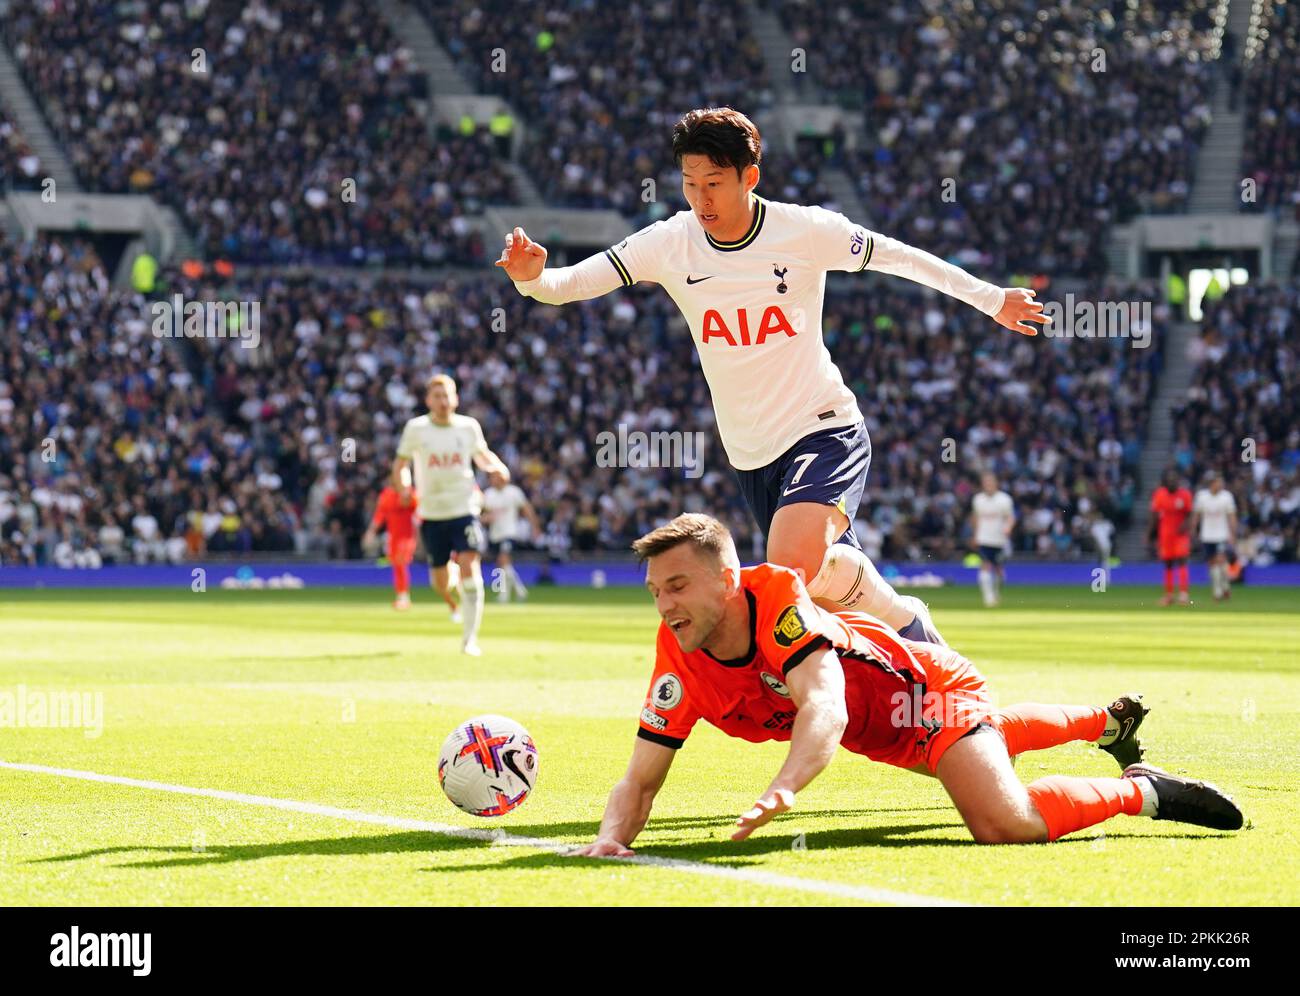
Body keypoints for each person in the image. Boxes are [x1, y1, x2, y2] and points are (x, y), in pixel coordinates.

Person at [498, 106, 1050, 647]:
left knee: (790, 568)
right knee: (822, 584)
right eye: (690, 182)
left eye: (714, 182)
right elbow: (571, 283)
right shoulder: (669, 241)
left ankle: (867, 641)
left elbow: (900, 257)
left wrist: (993, 299)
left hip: (823, 426)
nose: (700, 198)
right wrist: (533, 280)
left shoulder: (804, 231)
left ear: (750, 176)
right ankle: (905, 625)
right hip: (750, 453)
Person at [570, 514, 1241, 856]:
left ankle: (1143, 791)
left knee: (1002, 821)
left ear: (726, 578)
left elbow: (824, 704)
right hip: (889, 734)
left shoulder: (777, 601)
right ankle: (1108, 723)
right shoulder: (677, 658)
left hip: (930, 692)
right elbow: (640, 779)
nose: (665, 604)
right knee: (994, 747)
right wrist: (611, 837)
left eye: (679, 585)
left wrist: (787, 784)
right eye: (656, 590)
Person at [391, 374, 511, 656]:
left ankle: (469, 640)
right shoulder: (416, 428)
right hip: (432, 514)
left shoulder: (468, 427)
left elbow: (482, 456)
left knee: (471, 564)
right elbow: (400, 464)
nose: (443, 401)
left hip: (464, 508)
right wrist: (404, 486)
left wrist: (497, 468)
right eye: (437, 396)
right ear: (428, 400)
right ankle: (452, 578)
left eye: (448, 395)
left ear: (455, 398)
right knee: (440, 582)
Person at [481, 469, 542, 603]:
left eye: (495, 477)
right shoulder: (488, 494)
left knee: (503, 561)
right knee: (502, 565)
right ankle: (519, 590)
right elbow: (482, 515)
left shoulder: (514, 492)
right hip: (495, 534)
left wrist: (535, 527)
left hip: (509, 532)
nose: (492, 480)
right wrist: (486, 518)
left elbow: (527, 509)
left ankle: (505, 595)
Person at [1191, 472, 1238, 602]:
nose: (1221, 484)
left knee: (1221, 561)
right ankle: (1224, 586)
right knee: (1212, 563)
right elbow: (1196, 515)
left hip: (1222, 535)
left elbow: (1232, 516)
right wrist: (1193, 529)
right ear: (1212, 483)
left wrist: (1233, 533)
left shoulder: (1227, 497)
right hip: (1207, 536)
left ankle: (1218, 591)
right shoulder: (1202, 497)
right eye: (1218, 482)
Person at [1149, 469, 1193, 606]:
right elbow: (1155, 515)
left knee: (1182, 561)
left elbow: (1190, 514)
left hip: (1180, 535)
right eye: (1169, 480)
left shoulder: (1185, 495)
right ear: (1165, 482)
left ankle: (1183, 595)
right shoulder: (1159, 494)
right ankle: (1168, 595)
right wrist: (1150, 533)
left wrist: (1185, 525)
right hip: (1165, 535)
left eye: (1174, 479)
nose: (1172, 482)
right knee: (1168, 564)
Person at [970, 472, 1015, 607]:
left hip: (999, 539)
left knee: (999, 570)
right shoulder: (978, 499)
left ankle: (996, 593)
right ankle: (988, 598)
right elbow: (975, 518)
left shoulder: (1004, 499)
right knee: (985, 565)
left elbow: (1010, 517)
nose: (988, 485)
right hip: (984, 538)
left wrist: (1008, 528)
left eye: (990, 482)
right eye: (986, 482)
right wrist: (975, 535)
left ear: (996, 483)